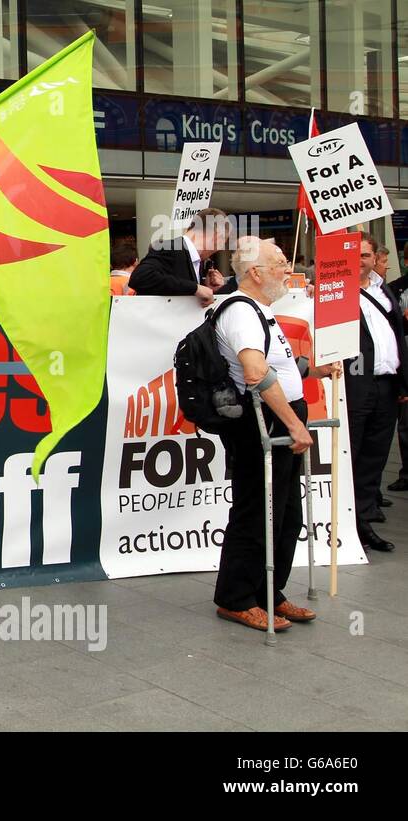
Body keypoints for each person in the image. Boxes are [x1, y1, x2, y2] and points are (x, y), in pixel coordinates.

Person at [213, 236, 339, 631]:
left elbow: (276, 366)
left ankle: (269, 592)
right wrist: (293, 422)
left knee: (285, 511)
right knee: (257, 511)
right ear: (256, 272)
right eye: (281, 262)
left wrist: (312, 371)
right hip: (262, 422)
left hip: (276, 417)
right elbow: (254, 372)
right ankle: (236, 598)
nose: (289, 269)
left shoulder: (260, 310)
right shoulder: (241, 312)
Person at [344, 237, 408, 552]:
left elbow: (397, 335)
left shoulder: (383, 290)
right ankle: (348, 524)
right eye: (354, 254)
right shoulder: (335, 291)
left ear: (374, 257)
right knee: (351, 457)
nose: (360, 260)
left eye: (366, 254)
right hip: (356, 385)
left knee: (375, 456)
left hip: (387, 385)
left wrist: (404, 382)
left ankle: (365, 519)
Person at [129, 207, 232, 306]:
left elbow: (177, 288)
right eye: (223, 242)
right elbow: (139, 278)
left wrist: (205, 288)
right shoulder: (170, 248)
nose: (220, 247)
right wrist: (196, 288)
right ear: (217, 236)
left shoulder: (196, 260)